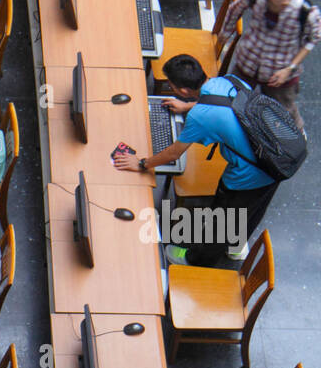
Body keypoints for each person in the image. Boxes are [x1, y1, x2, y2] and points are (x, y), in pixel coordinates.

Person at [114, 54, 279, 267]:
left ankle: (196, 259)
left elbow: (174, 153)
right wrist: (187, 106)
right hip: (273, 161)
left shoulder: (201, 116)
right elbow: (224, 105)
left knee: (223, 216)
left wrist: (141, 163)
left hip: (248, 174)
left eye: (172, 86)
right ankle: (236, 247)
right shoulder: (228, 81)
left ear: (182, 91)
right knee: (252, 207)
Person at [222, 0, 321, 135]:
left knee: (286, 113)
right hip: (248, 62)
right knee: (232, 99)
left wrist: (290, 68)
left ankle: (295, 142)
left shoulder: (306, 13)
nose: (285, 1)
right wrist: (224, 34)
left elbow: (314, 38)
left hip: (279, 74)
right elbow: (235, 10)